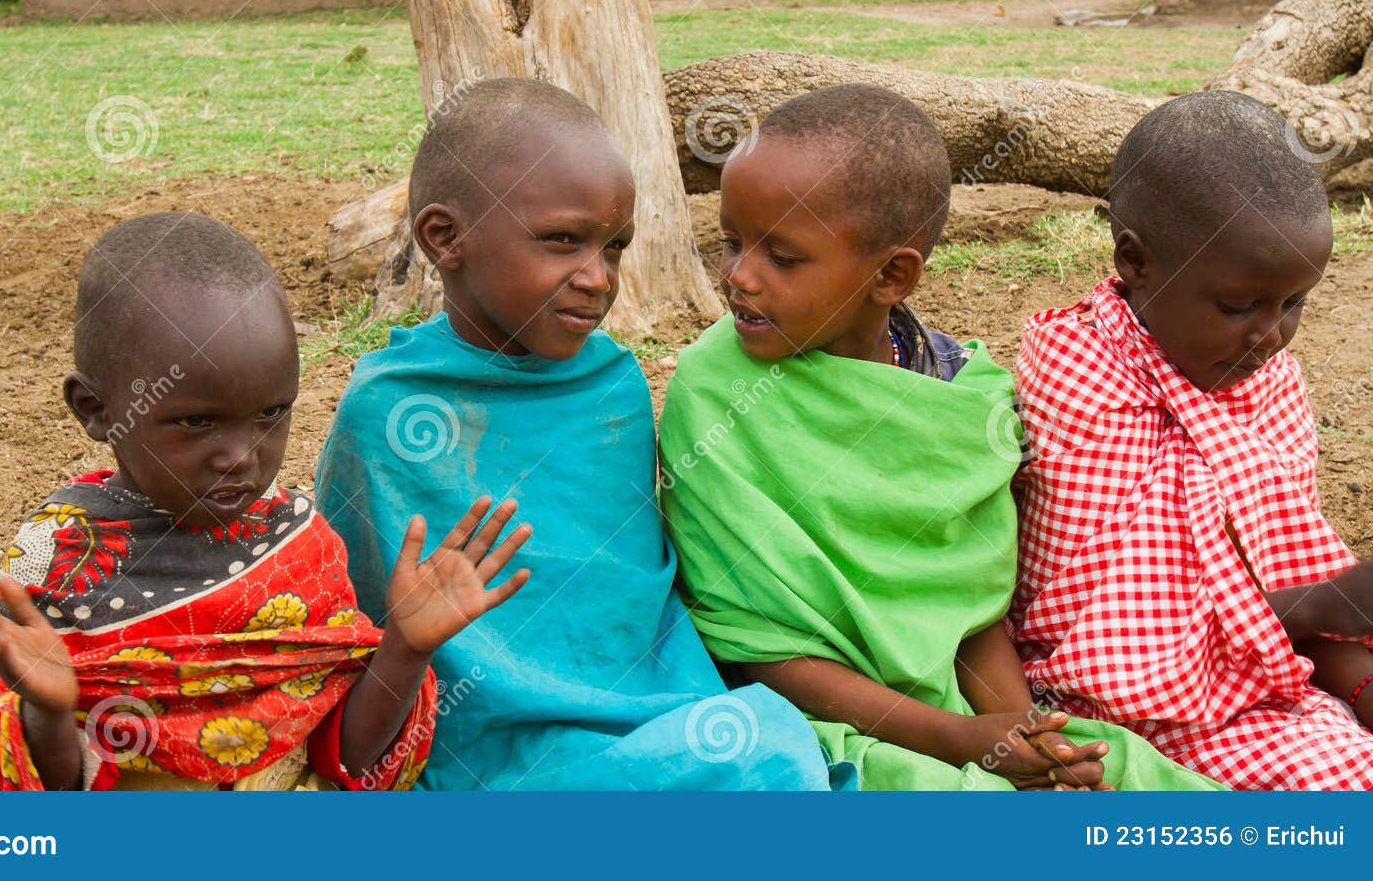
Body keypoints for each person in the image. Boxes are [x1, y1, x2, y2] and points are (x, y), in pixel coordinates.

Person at [660, 83, 1222, 791]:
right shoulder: (717, 394)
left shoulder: (963, 401)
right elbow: (758, 650)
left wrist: (1027, 738)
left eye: (783, 258)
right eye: (733, 242)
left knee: (1142, 787)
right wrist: (957, 740)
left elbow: (968, 610)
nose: (740, 276)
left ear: (892, 275)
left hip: (962, 715)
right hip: (816, 732)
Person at [317, 77, 851, 790]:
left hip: (661, 719)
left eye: (615, 247)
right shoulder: (386, 414)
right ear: (444, 238)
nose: (598, 278)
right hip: (487, 761)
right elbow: (347, 651)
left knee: (773, 741)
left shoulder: (615, 386)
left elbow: (632, 599)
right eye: (562, 241)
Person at [0, 212, 529, 791]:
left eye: (270, 415)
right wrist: (48, 713)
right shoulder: (59, 560)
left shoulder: (299, 547)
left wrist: (406, 646)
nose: (240, 456)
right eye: (197, 421)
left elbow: (345, 760)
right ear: (94, 409)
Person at [1011, 90, 1373, 790]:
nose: (1271, 334)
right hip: (1112, 714)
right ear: (1135, 261)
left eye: (1293, 302)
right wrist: (1326, 601)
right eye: (1239, 306)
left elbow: (1274, 555)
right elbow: (1119, 652)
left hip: (1262, 684)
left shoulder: (1267, 380)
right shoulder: (1076, 380)